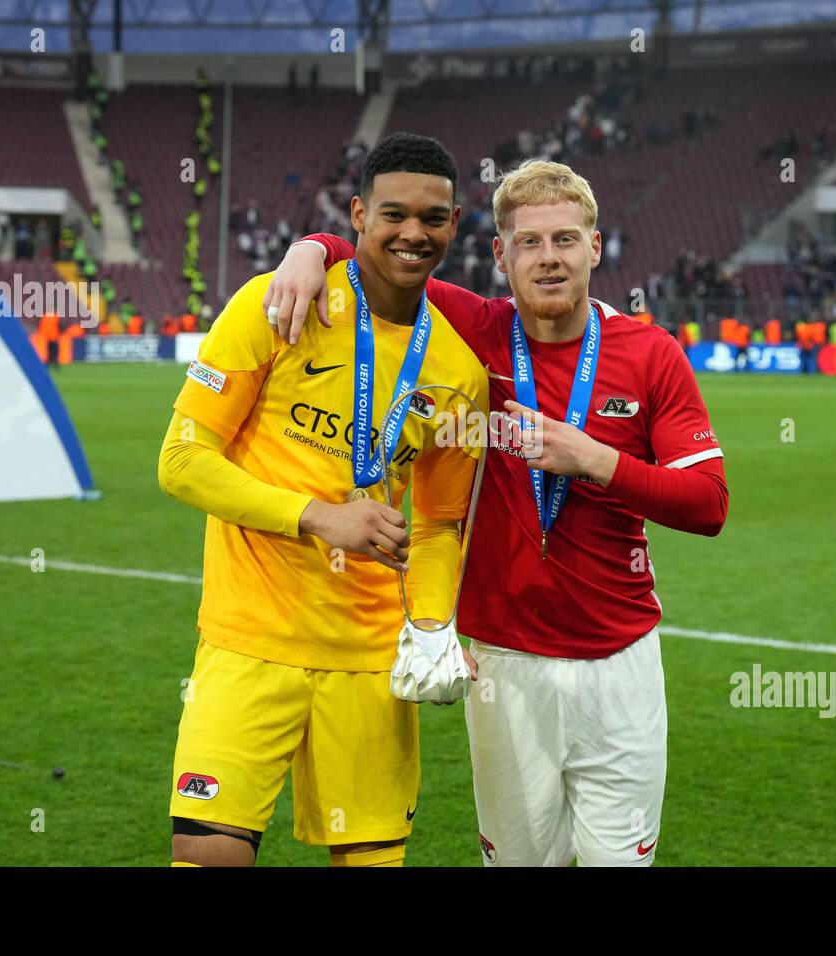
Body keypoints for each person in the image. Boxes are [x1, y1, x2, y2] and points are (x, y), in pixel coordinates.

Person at [266, 158, 729, 866]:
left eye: (567, 240)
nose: (549, 259)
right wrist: (309, 249)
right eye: (531, 243)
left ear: (596, 248)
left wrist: (594, 459)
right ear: (500, 254)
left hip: (620, 663)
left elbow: (708, 505)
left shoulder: (650, 354)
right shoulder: (474, 329)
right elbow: (384, 256)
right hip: (504, 664)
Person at [158, 133, 487, 867]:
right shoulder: (280, 304)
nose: (413, 233)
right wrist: (316, 516)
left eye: (433, 219)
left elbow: (437, 522)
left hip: (370, 662)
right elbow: (181, 462)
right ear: (358, 214)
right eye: (394, 214)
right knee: (207, 856)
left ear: (456, 224)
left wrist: (432, 625)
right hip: (250, 642)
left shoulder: (459, 372)